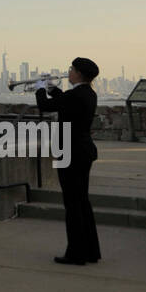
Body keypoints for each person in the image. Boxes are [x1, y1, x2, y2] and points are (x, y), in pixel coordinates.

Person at [36, 57, 101, 265]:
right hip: (84, 151)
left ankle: (76, 254)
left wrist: (40, 89)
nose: (69, 72)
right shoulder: (88, 93)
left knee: (72, 204)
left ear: (79, 73)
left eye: (71, 69)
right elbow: (64, 101)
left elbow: (45, 106)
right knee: (82, 202)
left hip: (71, 154)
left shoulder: (76, 95)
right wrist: (52, 88)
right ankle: (91, 251)